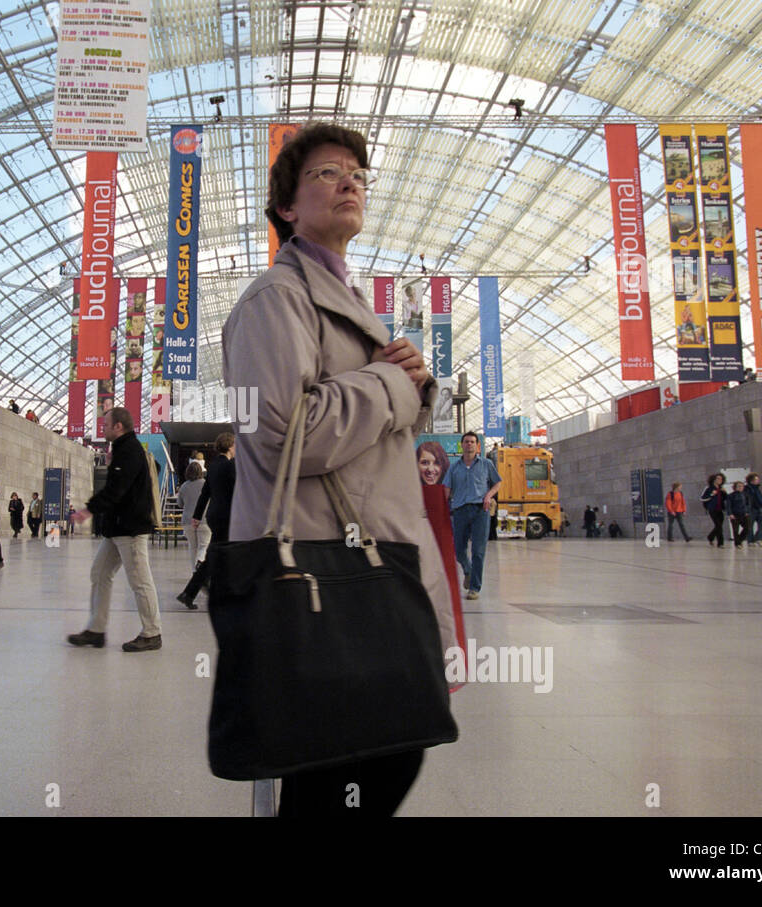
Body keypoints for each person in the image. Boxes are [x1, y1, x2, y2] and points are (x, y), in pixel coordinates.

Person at [222, 122, 454, 816]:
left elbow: (375, 430)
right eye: (325, 172)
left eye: (355, 171)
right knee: (352, 770)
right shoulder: (273, 299)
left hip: (373, 569)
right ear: (286, 207)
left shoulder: (351, 303)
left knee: (381, 754)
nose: (348, 180)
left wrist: (414, 387)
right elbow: (277, 431)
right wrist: (389, 384)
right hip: (324, 580)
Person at [67, 406, 163, 652]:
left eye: (106, 424)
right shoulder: (122, 451)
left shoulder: (129, 451)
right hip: (118, 528)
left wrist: (88, 510)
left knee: (140, 581)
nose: (103, 428)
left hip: (130, 528)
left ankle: (152, 633)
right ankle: (96, 630)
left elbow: (116, 490)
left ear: (118, 426)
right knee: (99, 574)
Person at [418, 442, 465, 675]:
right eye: (424, 462)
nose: (430, 469)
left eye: (436, 463)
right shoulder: (411, 496)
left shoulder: (450, 494)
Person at [176, 432, 236, 609]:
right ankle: (219, 591)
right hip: (227, 515)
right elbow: (236, 491)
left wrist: (196, 515)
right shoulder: (229, 465)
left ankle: (190, 592)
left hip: (213, 514)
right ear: (230, 446)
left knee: (214, 553)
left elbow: (206, 493)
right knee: (224, 553)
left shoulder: (214, 466)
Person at [442, 432, 502, 601]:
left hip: (480, 511)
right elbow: (446, 489)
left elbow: (497, 482)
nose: (469, 444)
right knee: (459, 549)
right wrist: (440, 507)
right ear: (462, 445)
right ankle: (468, 571)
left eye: (472, 442)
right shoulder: (454, 468)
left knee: (478, 551)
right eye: (466, 442)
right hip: (460, 511)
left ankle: (474, 588)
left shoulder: (486, 464)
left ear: (477, 446)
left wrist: (489, 496)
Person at [176, 460, 210, 568]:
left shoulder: (184, 486)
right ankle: (200, 562)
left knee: (192, 547)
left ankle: (194, 571)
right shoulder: (206, 484)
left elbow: (180, 504)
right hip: (204, 520)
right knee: (203, 546)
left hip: (187, 521)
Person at [700, 472, 727, 547]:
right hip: (712, 509)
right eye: (718, 478)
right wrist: (711, 494)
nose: (720, 480)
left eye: (721, 479)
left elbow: (725, 499)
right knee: (718, 526)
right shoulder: (709, 488)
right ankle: (720, 543)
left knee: (719, 526)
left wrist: (724, 492)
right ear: (714, 479)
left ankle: (710, 537)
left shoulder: (721, 488)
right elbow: (702, 498)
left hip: (720, 509)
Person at [745, 472, 762, 547]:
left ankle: (758, 538)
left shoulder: (757, 488)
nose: (758, 481)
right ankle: (750, 541)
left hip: (759, 508)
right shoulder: (747, 489)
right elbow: (746, 500)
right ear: (751, 480)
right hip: (751, 509)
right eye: (756, 479)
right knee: (750, 525)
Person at [727, 481, 749, 548]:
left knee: (747, 528)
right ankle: (737, 544)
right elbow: (728, 505)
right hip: (735, 514)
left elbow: (747, 504)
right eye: (739, 486)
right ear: (735, 487)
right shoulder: (731, 495)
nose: (740, 487)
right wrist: (730, 514)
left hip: (744, 514)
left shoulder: (745, 494)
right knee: (735, 530)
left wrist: (747, 511)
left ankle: (740, 540)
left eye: (742, 486)